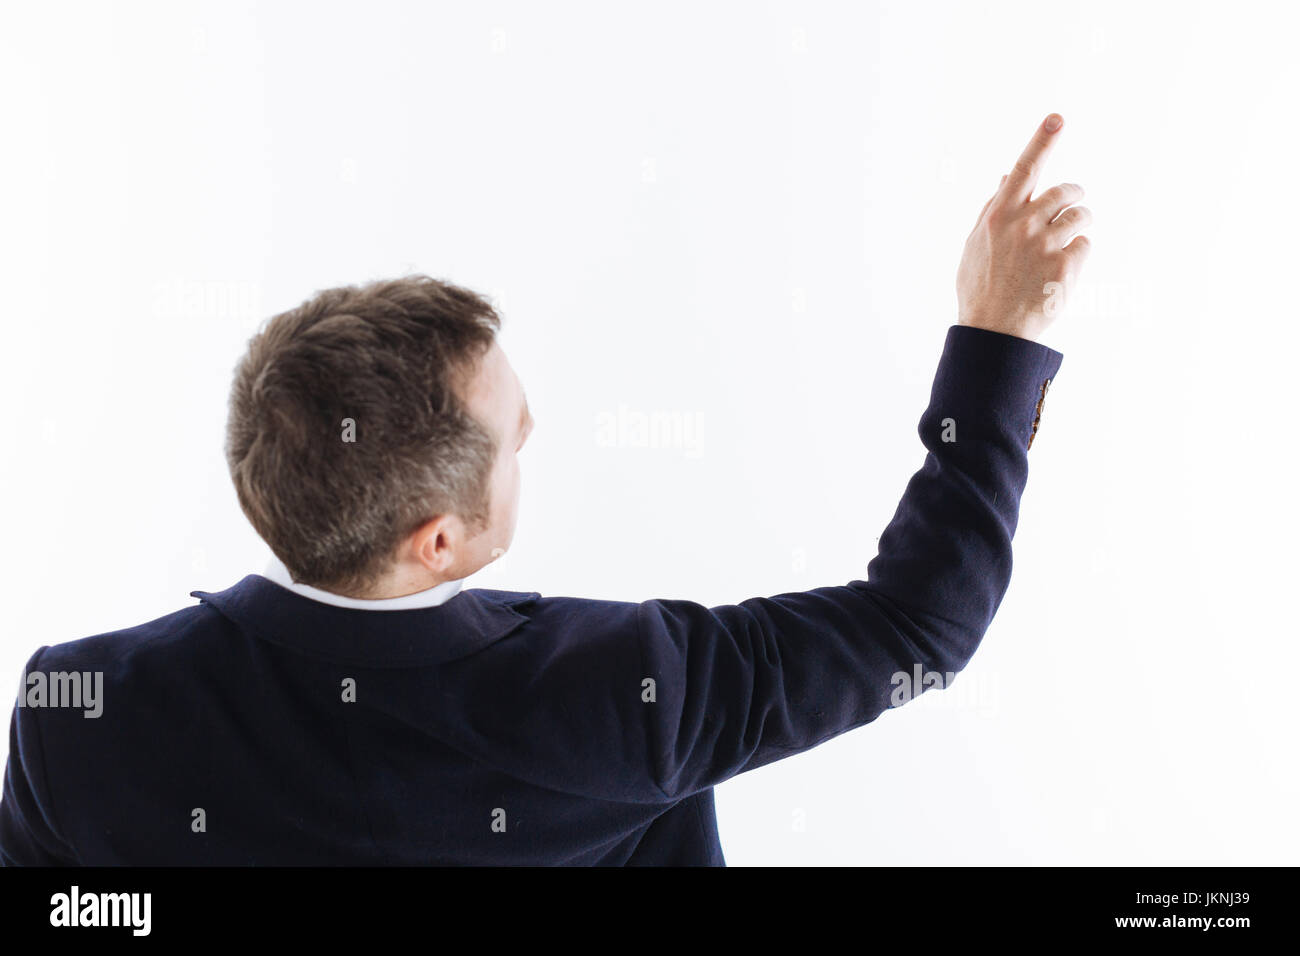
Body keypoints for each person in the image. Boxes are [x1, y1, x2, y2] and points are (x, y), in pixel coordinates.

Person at [0, 113, 1090, 865]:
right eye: (511, 434)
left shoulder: (82, 714)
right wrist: (995, 337)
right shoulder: (627, 695)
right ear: (436, 539)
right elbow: (918, 625)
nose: (534, 427)